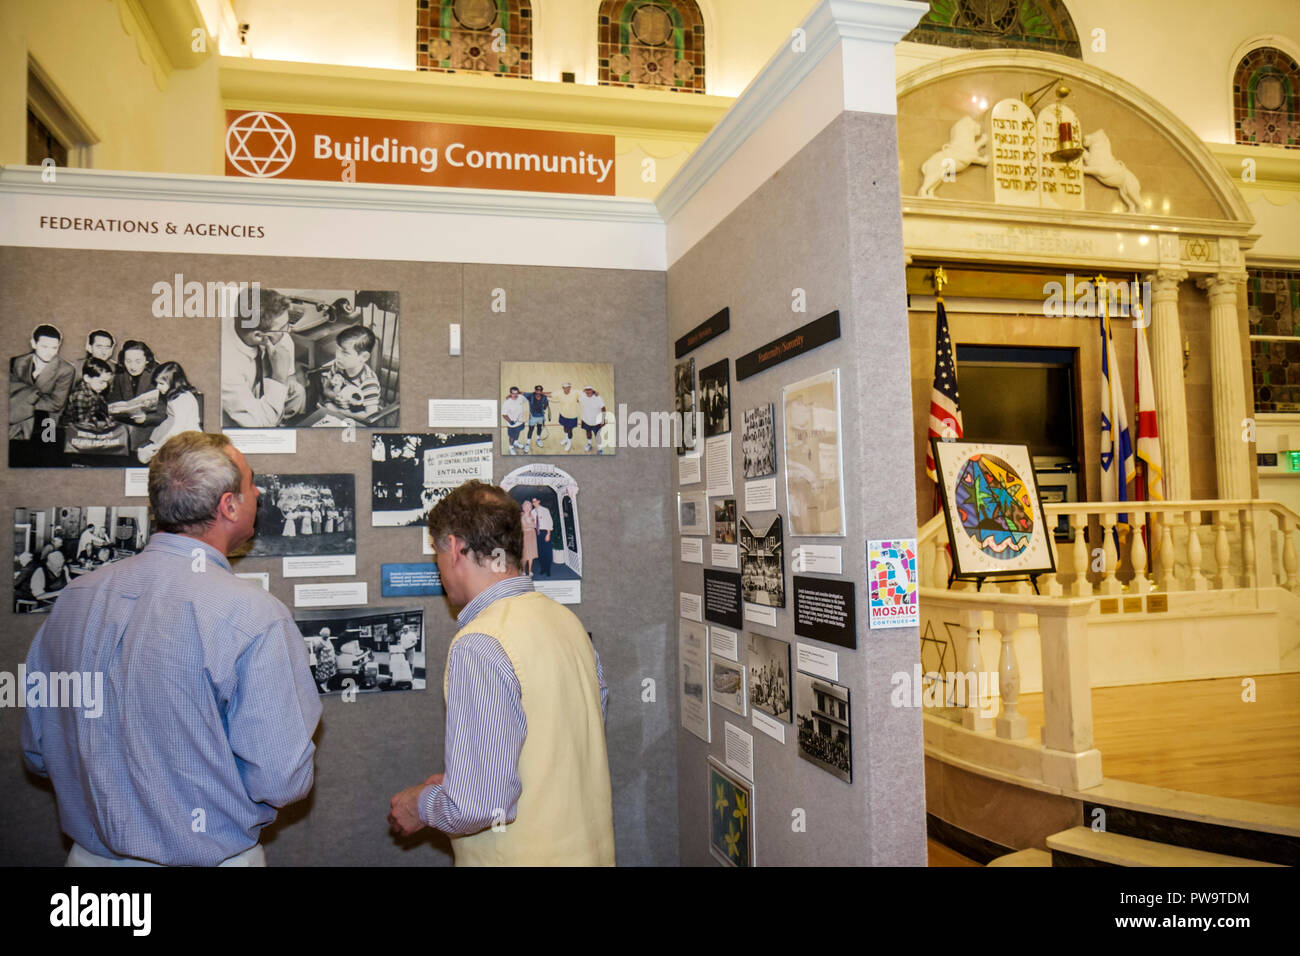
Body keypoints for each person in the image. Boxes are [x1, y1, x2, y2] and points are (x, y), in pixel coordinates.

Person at [21, 431, 322, 866]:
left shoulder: (74, 599)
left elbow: (38, 749)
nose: (258, 491)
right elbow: (281, 779)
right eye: (251, 482)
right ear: (228, 505)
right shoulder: (254, 617)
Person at [387, 480, 614, 865]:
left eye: (437, 556)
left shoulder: (479, 644)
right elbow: (564, 746)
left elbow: (480, 806)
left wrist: (420, 805)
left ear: (456, 548)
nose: (439, 569)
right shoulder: (567, 622)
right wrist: (470, 780)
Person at [220, 290, 306, 427]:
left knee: (298, 392)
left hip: (263, 399)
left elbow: (286, 345)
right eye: (283, 328)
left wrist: (288, 378)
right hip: (241, 420)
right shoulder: (226, 368)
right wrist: (279, 378)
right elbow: (259, 423)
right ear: (258, 335)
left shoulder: (262, 330)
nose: (288, 331)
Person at [10, 323, 75, 441]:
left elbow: (56, 404)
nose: (49, 352)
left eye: (54, 348)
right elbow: (12, 391)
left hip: (47, 421)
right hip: (17, 419)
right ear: (33, 343)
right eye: (44, 347)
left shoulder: (66, 369)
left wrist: (22, 400)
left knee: (44, 454)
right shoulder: (19, 362)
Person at [135, 361, 202, 464]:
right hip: (178, 435)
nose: (157, 387)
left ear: (174, 382)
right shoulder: (175, 396)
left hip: (187, 439)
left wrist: (159, 445)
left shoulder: (182, 399)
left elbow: (178, 427)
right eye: (156, 383)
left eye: (161, 383)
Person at [317, 324, 381, 422]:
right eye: (338, 349)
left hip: (356, 420)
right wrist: (334, 396)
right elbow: (326, 389)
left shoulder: (369, 382)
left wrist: (341, 413)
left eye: (345, 353)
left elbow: (370, 416)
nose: (338, 356)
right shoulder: (338, 365)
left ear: (363, 357)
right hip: (333, 409)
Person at [60, 356, 117, 432]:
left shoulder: (96, 390)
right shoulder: (80, 395)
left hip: (89, 427)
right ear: (87, 378)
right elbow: (81, 423)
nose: (105, 385)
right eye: (101, 382)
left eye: (107, 382)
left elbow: (101, 410)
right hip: (72, 432)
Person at [553, 382, 581, 452]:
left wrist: (595, 392)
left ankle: (569, 442)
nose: (567, 389)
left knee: (570, 430)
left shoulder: (575, 392)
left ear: (570, 387)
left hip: (572, 416)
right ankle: (566, 439)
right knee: (565, 427)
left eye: (568, 387)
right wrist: (540, 393)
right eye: (565, 388)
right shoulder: (559, 393)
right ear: (563, 388)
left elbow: (586, 393)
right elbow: (550, 395)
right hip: (563, 414)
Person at [578, 385, 606, 454]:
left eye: (589, 389)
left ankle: (600, 448)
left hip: (596, 422)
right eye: (586, 390)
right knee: (588, 432)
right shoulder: (582, 396)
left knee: (598, 435)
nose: (588, 391)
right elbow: (577, 400)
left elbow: (603, 409)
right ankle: (589, 444)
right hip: (586, 420)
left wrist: (603, 420)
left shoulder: (598, 398)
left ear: (592, 390)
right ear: (584, 391)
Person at [501, 386, 528, 455]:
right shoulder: (507, 403)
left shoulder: (521, 397)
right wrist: (510, 421)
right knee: (512, 436)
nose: (515, 395)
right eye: (513, 393)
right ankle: (511, 447)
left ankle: (516, 443)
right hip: (512, 424)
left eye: (516, 393)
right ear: (510, 393)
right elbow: (504, 414)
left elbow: (525, 397)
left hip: (520, 421)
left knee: (518, 432)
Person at [532, 496, 554, 577]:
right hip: (537, 533)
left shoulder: (545, 510)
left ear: (539, 501)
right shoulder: (533, 512)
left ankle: (548, 569)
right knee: (540, 552)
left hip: (545, 532)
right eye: (533, 502)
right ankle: (543, 568)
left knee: (547, 552)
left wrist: (548, 534)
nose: (534, 503)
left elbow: (549, 522)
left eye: (535, 501)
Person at [525, 385, 549, 452]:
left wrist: (544, 410)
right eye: (537, 390)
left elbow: (546, 403)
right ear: (535, 390)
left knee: (539, 428)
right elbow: (522, 393)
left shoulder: (544, 397)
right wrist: (510, 395)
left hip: (541, 416)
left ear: (541, 391)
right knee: (531, 430)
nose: (538, 392)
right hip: (533, 416)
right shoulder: (530, 395)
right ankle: (527, 443)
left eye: (540, 390)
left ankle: (538, 439)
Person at [520, 499, 538, 575]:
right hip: (524, 536)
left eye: (529, 506)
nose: (527, 508)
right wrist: (529, 525)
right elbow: (520, 526)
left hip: (532, 536)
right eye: (526, 506)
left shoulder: (533, 515)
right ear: (523, 507)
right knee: (524, 554)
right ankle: (523, 570)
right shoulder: (520, 515)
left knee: (531, 554)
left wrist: (529, 525)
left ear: (531, 508)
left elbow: (535, 526)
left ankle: (530, 570)